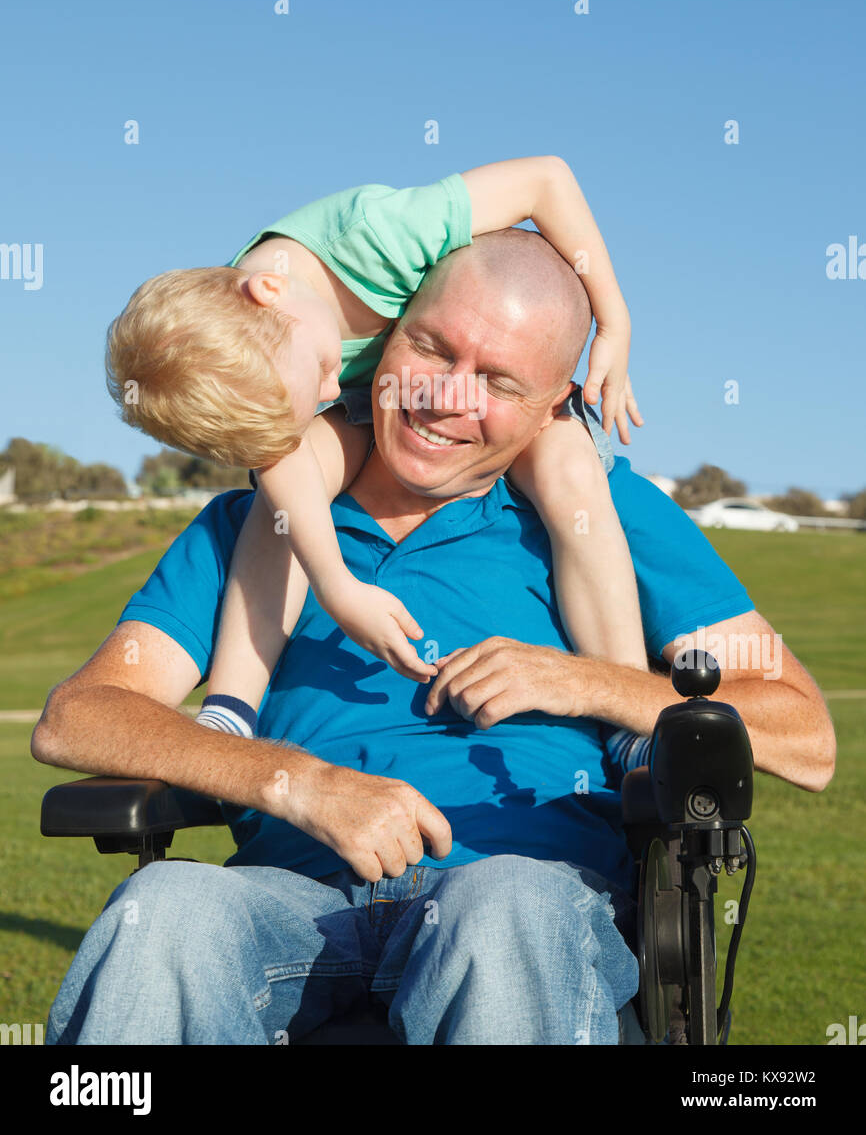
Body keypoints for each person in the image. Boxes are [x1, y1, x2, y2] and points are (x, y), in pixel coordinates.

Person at [33, 230, 836, 1045]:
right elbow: (82, 716)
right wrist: (296, 784)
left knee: (505, 910)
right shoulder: (259, 526)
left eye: (498, 381)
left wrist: (585, 682)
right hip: (289, 908)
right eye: (431, 347)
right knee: (161, 913)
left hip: (523, 891)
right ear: (382, 337)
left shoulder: (603, 516)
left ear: (555, 403)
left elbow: (805, 735)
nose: (447, 397)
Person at [104, 155, 647, 745]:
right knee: (285, 496)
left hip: (447, 386)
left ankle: (627, 708)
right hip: (399, 392)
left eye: (320, 371)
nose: (332, 393)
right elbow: (283, 458)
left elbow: (547, 180)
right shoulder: (256, 350)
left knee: (571, 471)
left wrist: (614, 322)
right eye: (315, 388)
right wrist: (337, 584)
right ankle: (230, 708)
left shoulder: (377, 237)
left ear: (269, 290)